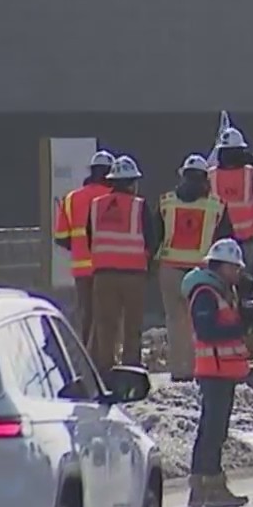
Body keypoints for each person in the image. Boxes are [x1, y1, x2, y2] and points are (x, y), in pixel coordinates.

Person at [183, 238, 253, 507]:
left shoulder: (223, 292)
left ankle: (207, 485)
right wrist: (238, 329)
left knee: (216, 430)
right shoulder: (205, 293)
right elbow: (207, 331)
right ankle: (206, 484)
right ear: (220, 266)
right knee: (212, 430)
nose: (237, 273)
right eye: (233, 268)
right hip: (213, 370)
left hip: (223, 369)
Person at [155, 154, 234, 382]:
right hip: (201, 274)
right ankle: (199, 368)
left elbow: (154, 237)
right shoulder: (216, 206)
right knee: (201, 320)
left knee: (174, 321)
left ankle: (179, 371)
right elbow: (225, 241)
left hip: (169, 269)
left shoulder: (166, 202)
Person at [86, 155, 163, 372]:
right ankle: (130, 367)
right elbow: (152, 239)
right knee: (132, 325)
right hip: (133, 275)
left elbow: (90, 236)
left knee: (105, 325)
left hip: (103, 274)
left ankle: (104, 369)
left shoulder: (96, 206)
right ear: (132, 183)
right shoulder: (139, 205)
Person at [52, 149, 116, 344]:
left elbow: (61, 237)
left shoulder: (71, 198)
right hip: (108, 267)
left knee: (86, 314)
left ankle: (85, 358)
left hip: (81, 269)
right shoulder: (114, 198)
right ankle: (105, 358)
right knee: (106, 315)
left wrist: (80, 247)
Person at [209, 126, 253, 269]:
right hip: (247, 239)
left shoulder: (210, 175)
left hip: (219, 241)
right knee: (247, 282)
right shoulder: (250, 174)